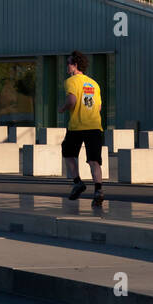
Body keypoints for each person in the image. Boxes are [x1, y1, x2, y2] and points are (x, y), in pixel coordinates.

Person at [60, 50, 104, 204]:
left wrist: (63, 108)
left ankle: (78, 182)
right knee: (94, 160)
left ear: (75, 65)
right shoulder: (94, 83)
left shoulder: (71, 81)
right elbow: (98, 107)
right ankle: (98, 190)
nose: (67, 66)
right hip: (95, 126)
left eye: (68, 63)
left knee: (68, 153)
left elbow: (71, 100)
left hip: (77, 126)